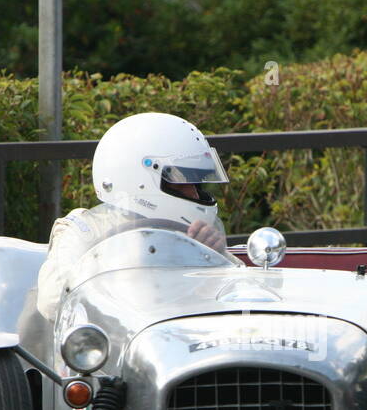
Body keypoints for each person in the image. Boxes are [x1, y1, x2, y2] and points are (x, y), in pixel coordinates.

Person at [36, 112, 237, 320]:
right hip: (115, 344)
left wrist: (217, 256)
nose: (194, 193)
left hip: (183, 337)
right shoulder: (85, 228)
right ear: (137, 178)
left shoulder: (196, 232)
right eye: (182, 181)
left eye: (197, 183)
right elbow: (52, 301)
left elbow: (239, 295)